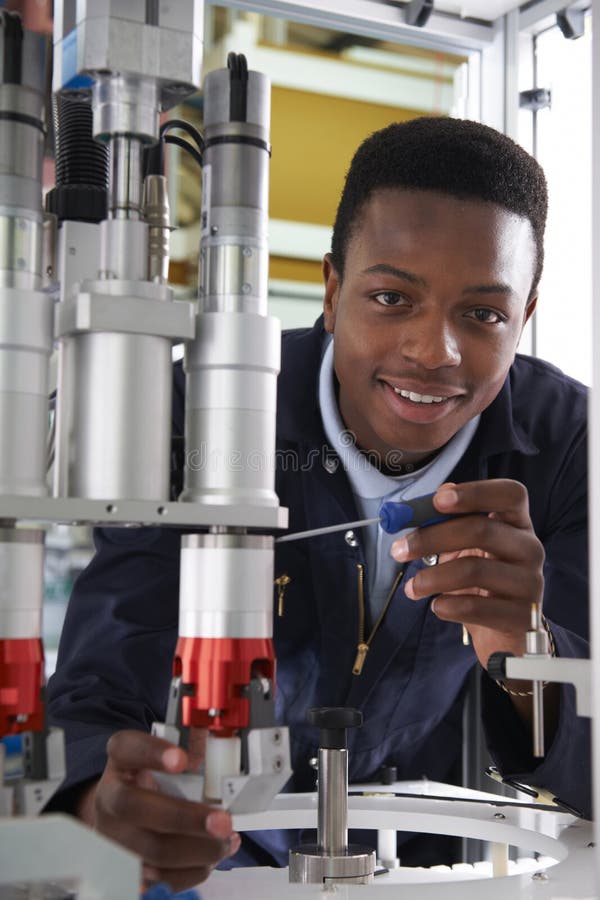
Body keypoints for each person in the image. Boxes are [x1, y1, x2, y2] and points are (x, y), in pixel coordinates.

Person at [46, 116, 590, 891]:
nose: (435, 352)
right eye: (392, 297)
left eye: (483, 315)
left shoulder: (571, 446)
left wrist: (529, 656)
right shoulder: (208, 404)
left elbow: (591, 763)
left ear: (524, 319)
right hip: (211, 851)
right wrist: (97, 803)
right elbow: (102, 683)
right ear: (333, 292)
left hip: (418, 863)